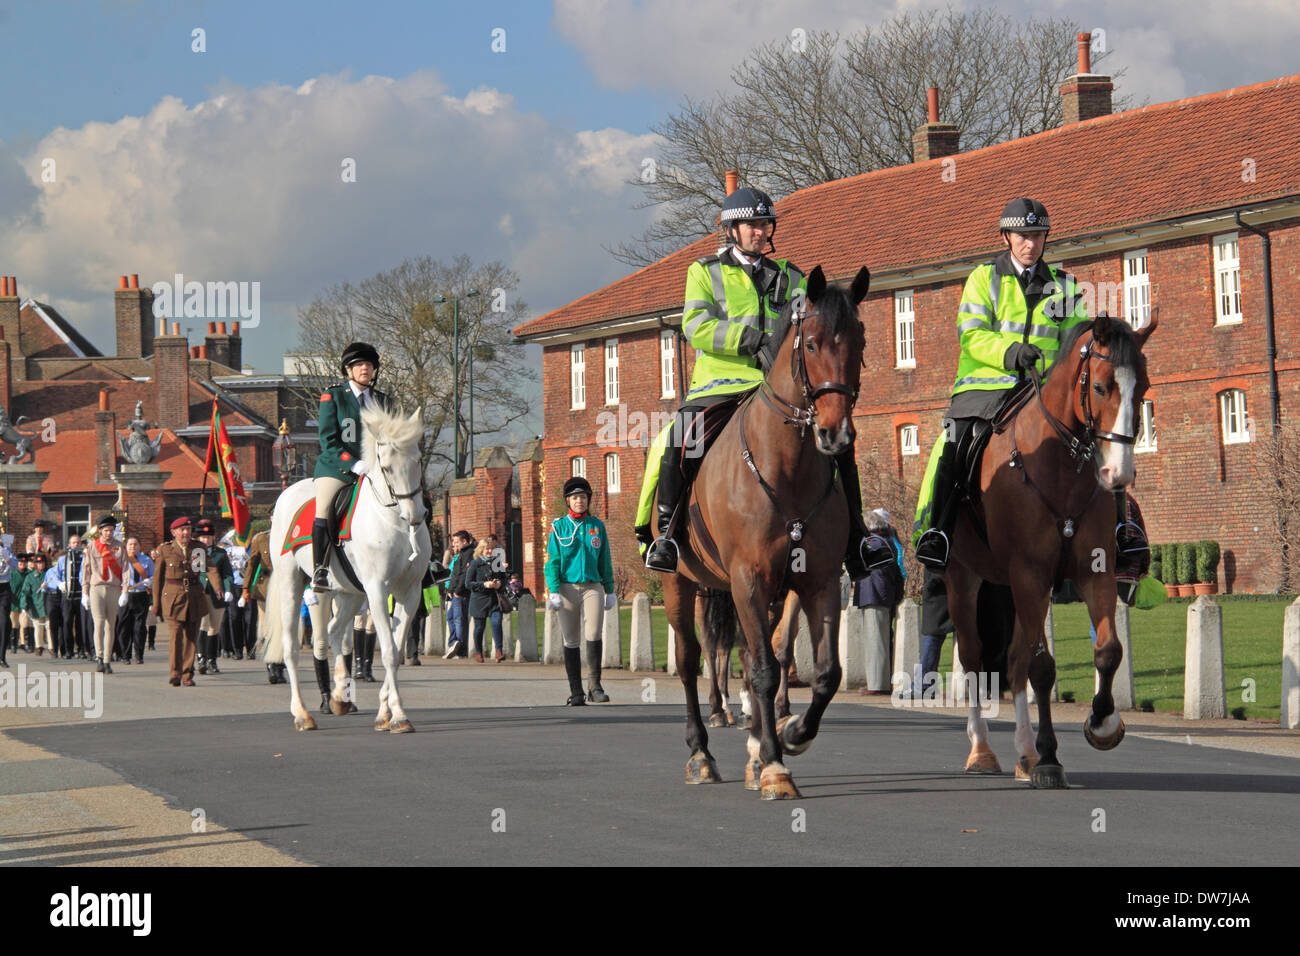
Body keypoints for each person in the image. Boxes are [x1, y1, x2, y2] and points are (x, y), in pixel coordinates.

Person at [635, 186, 877, 580]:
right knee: (679, 436)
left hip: (779, 385)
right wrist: (751, 338)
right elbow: (695, 326)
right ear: (731, 229)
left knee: (840, 442)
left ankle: (857, 539)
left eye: (765, 224)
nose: (759, 232)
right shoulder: (704, 272)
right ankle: (667, 535)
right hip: (720, 383)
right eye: (751, 225)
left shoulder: (793, 277)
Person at [915, 197, 1104, 568]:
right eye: (1022, 235)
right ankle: (938, 532)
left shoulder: (1064, 286)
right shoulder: (983, 279)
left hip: (1044, 390)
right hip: (984, 386)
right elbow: (971, 335)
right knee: (956, 438)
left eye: (1037, 235)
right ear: (1006, 237)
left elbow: (1077, 342)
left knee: (1103, 439)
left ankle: (1121, 534)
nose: (1030, 243)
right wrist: (1012, 352)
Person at [312, 341, 391, 592]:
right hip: (337, 468)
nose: (365, 368)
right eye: (359, 364)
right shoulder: (333, 396)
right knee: (324, 508)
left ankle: (422, 565)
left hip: (374, 470)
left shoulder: (383, 401)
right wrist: (355, 464)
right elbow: (328, 441)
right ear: (349, 370)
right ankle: (320, 569)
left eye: (369, 364)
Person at [545, 476, 616, 705]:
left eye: (583, 497)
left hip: (592, 586)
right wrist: (553, 590)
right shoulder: (559, 527)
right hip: (566, 587)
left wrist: (610, 588)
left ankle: (595, 686)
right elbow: (553, 561)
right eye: (575, 497)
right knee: (571, 638)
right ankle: (576, 691)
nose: (579, 501)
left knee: (594, 633)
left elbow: (604, 559)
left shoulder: (597, 526)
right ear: (568, 501)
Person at [154, 516, 220, 686]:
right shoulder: (166, 550)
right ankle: (175, 672)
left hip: (194, 597)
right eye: (182, 530)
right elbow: (157, 579)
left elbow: (209, 568)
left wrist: (218, 587)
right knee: (175, 636)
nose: (185, 533)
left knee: (192, 637)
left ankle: (187, 674)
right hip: (173, 598)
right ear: (173, 532)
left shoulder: (198, 549)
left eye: (188, 529)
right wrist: (156, 603)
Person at [81, 514, 124, 674]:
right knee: (98, 623)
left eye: (111, 530)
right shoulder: (92, 546)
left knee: (110, 624)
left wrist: (125, 590)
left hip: (113, 587)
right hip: (96, 587)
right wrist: (85, 592)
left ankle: (107, 660)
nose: (109, 533)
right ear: (100, 531)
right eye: (106, 530)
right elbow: (86, 570)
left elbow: (125, 568)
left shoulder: (120, 546)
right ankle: (98, 656)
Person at [193, 518, 233, 675]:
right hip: (201, 593)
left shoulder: (221, 553)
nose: (206, 540)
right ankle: (201, 657)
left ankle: (212, 659)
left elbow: (227, 573)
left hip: (217, 593)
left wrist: (228, 588)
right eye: (203, 537)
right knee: (203, 625)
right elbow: (197, 572)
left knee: (214, 627)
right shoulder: (196, 552)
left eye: (208, 537)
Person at [466, 539, 507, 663]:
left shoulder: (498, 563)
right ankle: (478, 652)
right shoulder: (475, 564)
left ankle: (499, 651)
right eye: (487, 549)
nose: (489, 551)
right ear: (481, 550)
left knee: (496, 622)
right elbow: (468, 584)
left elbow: (504, 580)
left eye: (491, 549)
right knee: (479, 628)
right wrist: (484, 584)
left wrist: (499, 584)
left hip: (494, 599)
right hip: (479, 600)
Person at [117, 537, 154, 665]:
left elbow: (153, 576)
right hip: (125, 595)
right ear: (125, 546)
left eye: (135, 544)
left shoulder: (147, 560)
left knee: (139, 627)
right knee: (124, 627)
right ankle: (125, 655)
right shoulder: (121, 559)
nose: (133, 547)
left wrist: (150, 582)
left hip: (141, 595)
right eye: (130, 544)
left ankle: (139, 655)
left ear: (140, 546)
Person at [54, 535, 87, 659]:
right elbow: (55, 575)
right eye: (74, 543)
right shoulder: (62, 560)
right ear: (69, 545)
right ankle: (68, 650)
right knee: (67, 623)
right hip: (67, 596)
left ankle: (82, 649)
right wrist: (59, 584)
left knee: (81, 624)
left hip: (81, 596)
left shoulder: (85, 557)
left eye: (78, 542)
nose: (76, 545)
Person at [442, 530, 475, 659]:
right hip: (454, 592)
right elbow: (454, 574)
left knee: (459, 619)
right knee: (451, 618)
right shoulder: (461, 554)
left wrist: (457, 591)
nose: (454, 544)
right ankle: (454, 643)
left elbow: (464, 574)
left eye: (456, 542)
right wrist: (450, 589)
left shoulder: (469, 554)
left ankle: (459, 647)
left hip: (460, 593)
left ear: (464, 541)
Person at [20, 553, 53, 656]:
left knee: (49, 626)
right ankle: (39, 646)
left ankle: (51, 646)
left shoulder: (49, 574)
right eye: (38, 563)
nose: (40, 565)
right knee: (38, 626)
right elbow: (25, 592)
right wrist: (24, 606)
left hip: (48, 604)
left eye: (42, 562)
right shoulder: (30, 577)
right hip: (36, 605)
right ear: (35, 564)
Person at [0, 535, 13, 666]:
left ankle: (2, 656)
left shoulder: (6, 549)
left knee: (4, 622)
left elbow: (15, 567)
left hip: (4, 588)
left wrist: (8, 557)